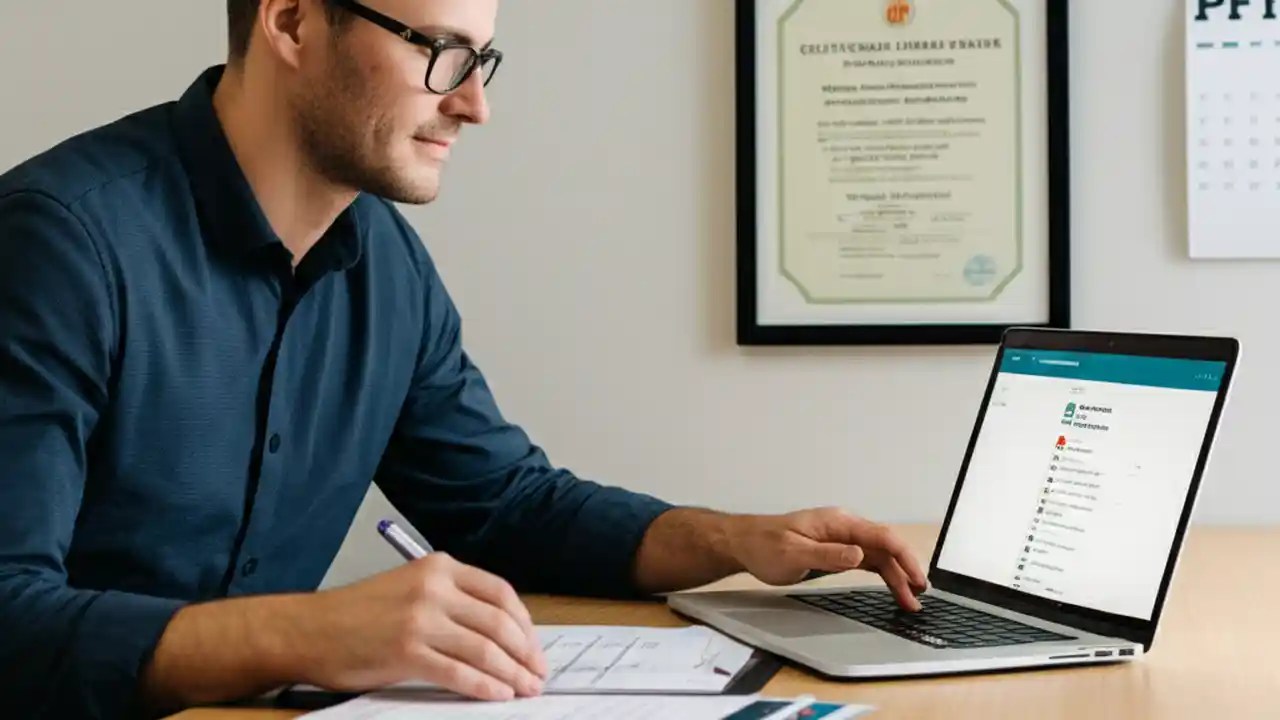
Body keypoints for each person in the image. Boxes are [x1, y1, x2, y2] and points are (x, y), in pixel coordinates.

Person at [0, 1, 928, 717]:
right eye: (437, 49)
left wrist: (736, 542)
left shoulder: (386, 262)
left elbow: (506, 506)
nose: (474, 104)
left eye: (481, 60)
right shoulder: (59, 243)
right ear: (290, 22)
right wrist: (313, 631)